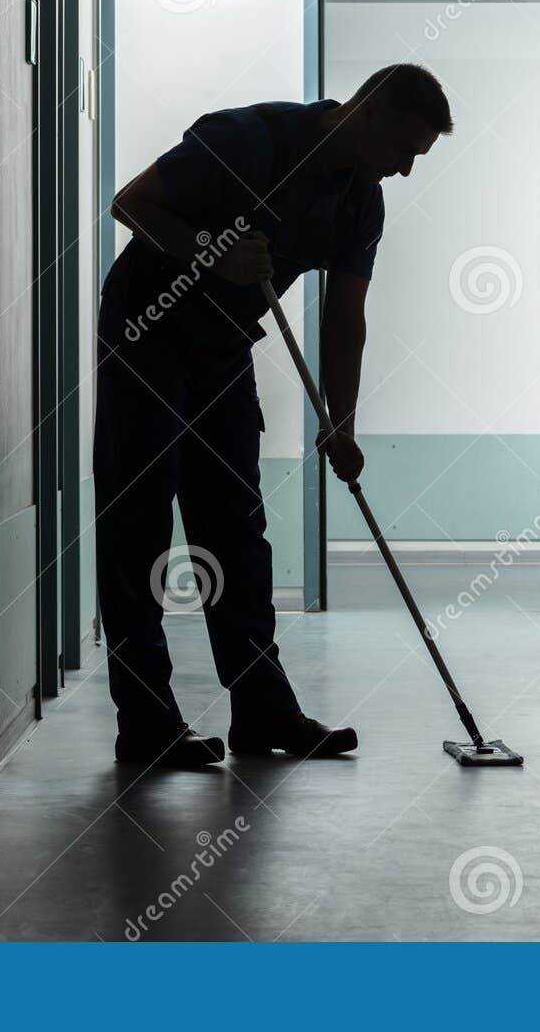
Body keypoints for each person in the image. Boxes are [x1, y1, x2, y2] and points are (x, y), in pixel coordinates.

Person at [96, 63, 452, 766]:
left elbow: (347, 313)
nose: (405, 171)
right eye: (403, 151)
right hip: (148, 330)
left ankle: (263, 711)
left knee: (236, 526)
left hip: (225, 347)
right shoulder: (249, 139)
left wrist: (339, 424)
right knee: (139, 524)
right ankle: (145, 722)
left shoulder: (361, 203)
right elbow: (131, 202)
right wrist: (209, 252)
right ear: (368, 111)